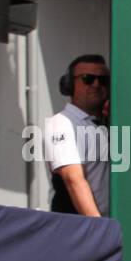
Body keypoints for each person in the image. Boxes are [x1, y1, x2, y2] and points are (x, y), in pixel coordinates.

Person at [45, 54, 111, 216]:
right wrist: (99, 227)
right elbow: (73, 180)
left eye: (103, 80)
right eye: (88, 79)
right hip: (81, 228)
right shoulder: (61, 123)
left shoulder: (104, 124)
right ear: (70, 85)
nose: (96, 84)